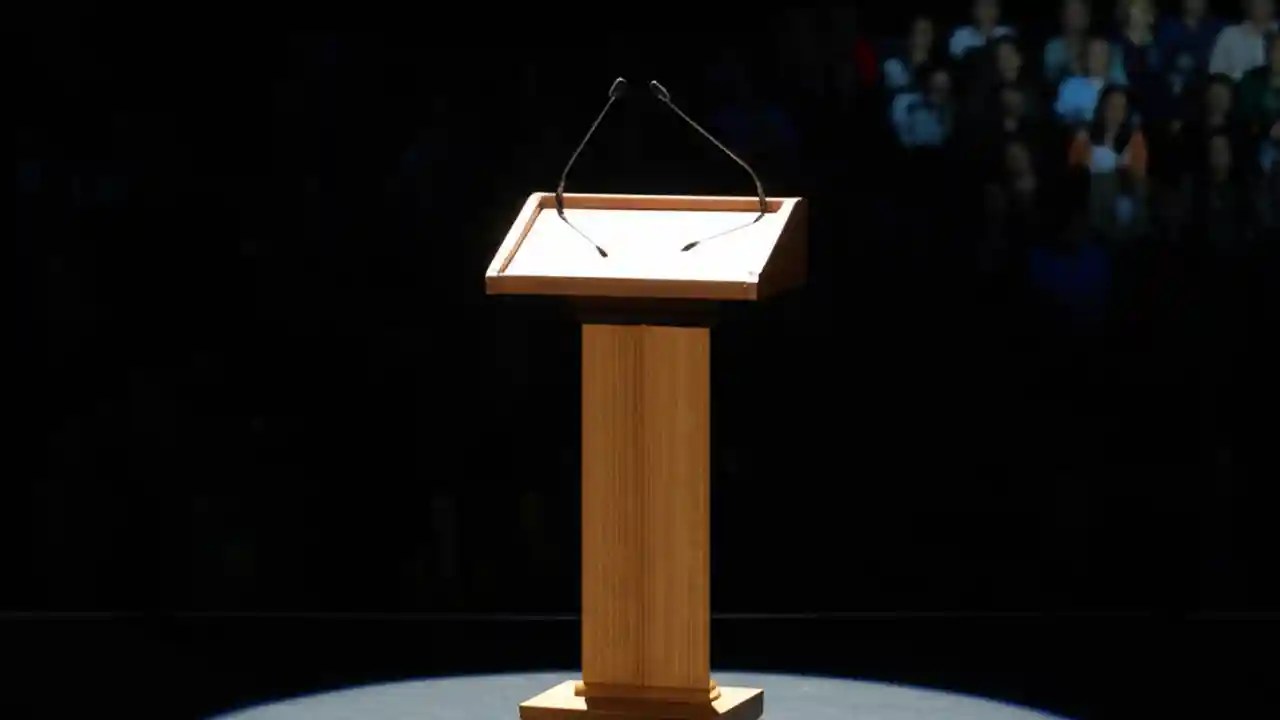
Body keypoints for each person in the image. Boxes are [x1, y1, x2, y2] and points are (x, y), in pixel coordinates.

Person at [1069, 85, 1150, 242]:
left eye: (1121, 108)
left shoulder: (1135, 140)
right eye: (1111, 106)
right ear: (1101, 107)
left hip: (1123, 202)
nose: (1116, 112)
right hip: (1090, 203)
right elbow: (1075, 175)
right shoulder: (1083, 138)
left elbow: (1139, 177)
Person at [1157, 0, 1226, 97]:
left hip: (1207, 90)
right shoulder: (1169, 27)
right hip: (1175, 90)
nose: (1196, 3)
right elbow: (1161, 62)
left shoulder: (1217, 28)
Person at [1055, 37, 1125, 124]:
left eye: (1101, 53)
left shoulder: (1119, 88)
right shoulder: (1070, 86)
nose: (1097, 58)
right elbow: (1062, 116)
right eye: (1093, 53)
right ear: (1086, 57)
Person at [1208, 0, 1277, 81]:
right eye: (1257, 3)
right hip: (1235, 89)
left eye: (1265, 2)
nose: (1261, 6)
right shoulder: (1229, 35)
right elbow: (1216, 72)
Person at [891, 64, 956, 148]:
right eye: (937, 89)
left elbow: (945, 135)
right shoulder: (905, 103)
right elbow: (901, 131)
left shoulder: (948, 110)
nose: (942, 94)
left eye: (945, 87)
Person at [884, 15, 941, 94]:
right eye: (922, 33)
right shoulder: (894, 65)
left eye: (929, 33)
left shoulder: (937, 68)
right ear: (911, 37)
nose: (927, 38)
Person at [949, 0, 1014, 60]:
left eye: (993, 6)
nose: (989, 11)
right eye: (984, 6)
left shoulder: (1007, 33)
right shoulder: (960, 37)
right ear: (974, 10)